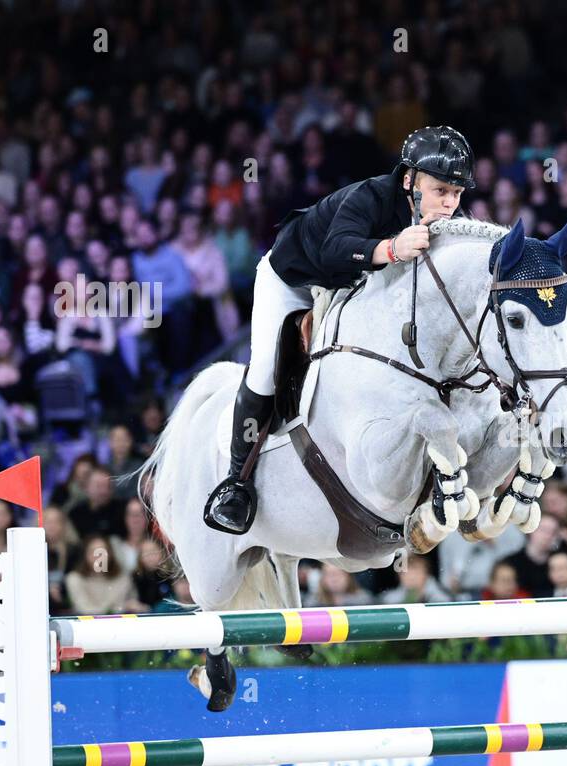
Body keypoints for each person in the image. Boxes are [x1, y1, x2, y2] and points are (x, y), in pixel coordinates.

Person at [204, 126, 476, 535]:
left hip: (352, 288)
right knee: (264, 366)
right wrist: (391, 249)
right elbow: (336, 250)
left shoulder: (440, 224)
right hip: (294, 280)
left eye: (456, 194)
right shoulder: (368, 196)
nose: (449, 204)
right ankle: (236, 483)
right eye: (441, 190)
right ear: (408, 180)